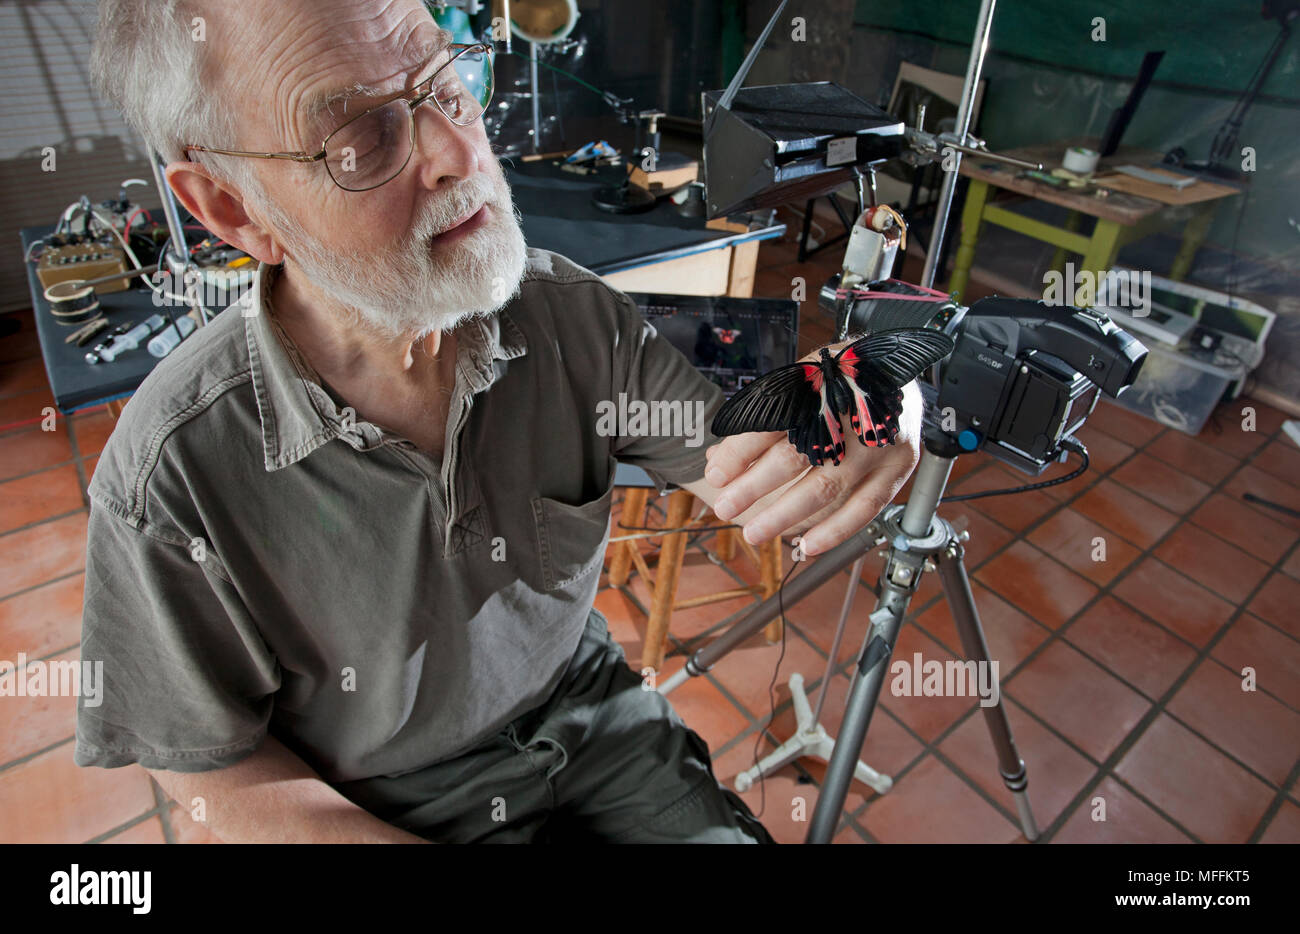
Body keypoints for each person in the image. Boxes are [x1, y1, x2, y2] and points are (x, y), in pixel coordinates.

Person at [76, 0, 923, 843]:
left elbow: (763, 451)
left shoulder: (571, 319)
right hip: (385, 796)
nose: (460, 152)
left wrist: (881, 387)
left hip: (589, 716)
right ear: (233, 209)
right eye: (362, 140)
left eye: (448, 82)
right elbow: (207, 771)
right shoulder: (171, 477)